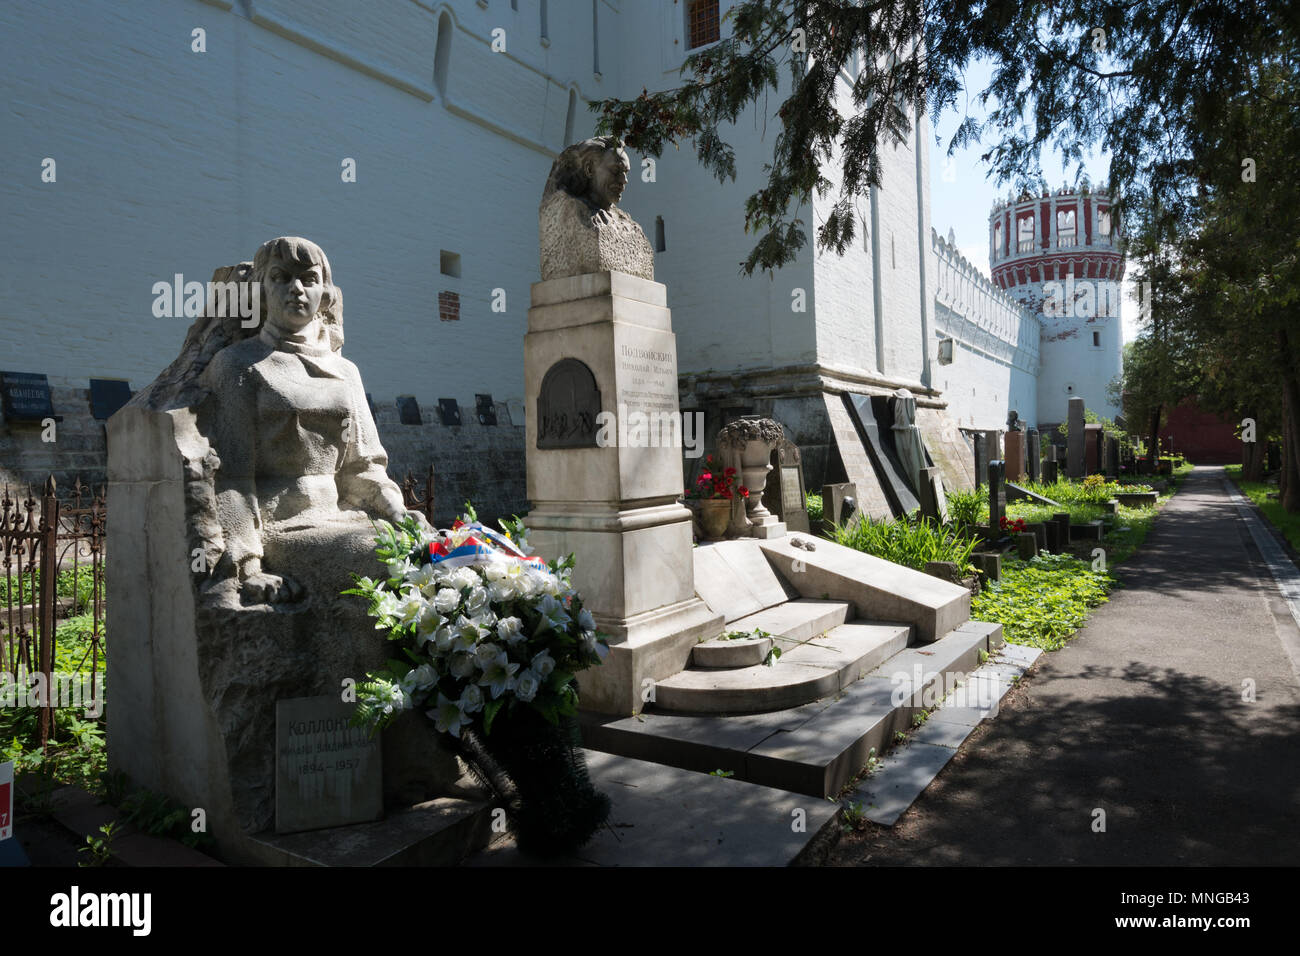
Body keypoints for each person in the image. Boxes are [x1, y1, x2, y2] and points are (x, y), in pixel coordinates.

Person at [197, 236, 422, 605]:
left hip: (343, 517)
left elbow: (363, 467)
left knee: (441, 557)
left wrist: (395, 509)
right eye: (280, 277)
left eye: (309, 279)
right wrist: (248, 565)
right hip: (284, 527)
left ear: (326, 293)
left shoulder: (346, 372)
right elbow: (232, 477)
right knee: (379, 568)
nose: (296, 289)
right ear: (260, 289)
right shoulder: (238, 365)